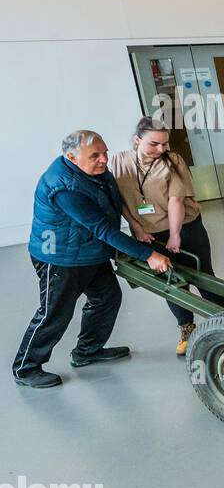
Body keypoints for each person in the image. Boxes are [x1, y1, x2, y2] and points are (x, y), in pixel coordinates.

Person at [13, 131, 171, 389]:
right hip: (60, 256)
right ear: (72, 158)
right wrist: (149, 255)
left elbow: (113, 200)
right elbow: (102, 229)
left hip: (88, 250)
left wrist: (136, 226)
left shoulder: (94, 171)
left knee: (107, 298)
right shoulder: (64, 186)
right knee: (54, 313)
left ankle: (87, 351)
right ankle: (26, 367)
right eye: (95, 155)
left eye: (105, 152)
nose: (104, 160)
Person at [110, 117, 224, 356]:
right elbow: (119, 200)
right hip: (148, 233)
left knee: (203, 274)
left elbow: (176, 200)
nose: (161, 149)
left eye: (165, 144)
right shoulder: (118, 162)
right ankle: (186, 328)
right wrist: (136, 226)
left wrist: (175, 235)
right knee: (171, 281)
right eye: (154, 144)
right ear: (137, 140)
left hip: (185, 226)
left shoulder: (172, 161)